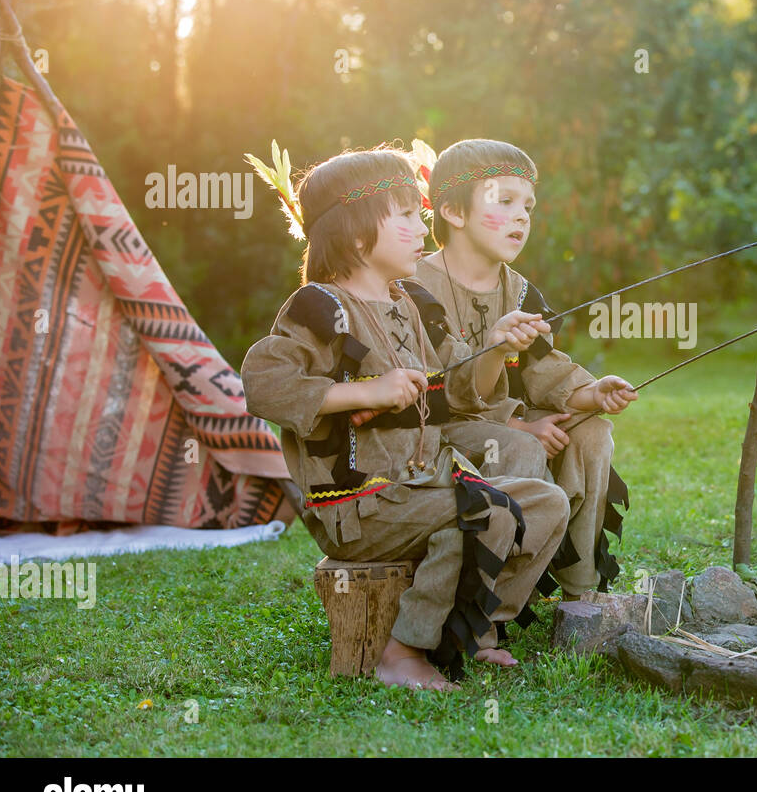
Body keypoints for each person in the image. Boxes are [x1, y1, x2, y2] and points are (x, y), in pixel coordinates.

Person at [241, 145, 569, 691]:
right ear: (357, 235)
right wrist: (364, 391)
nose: (423, 229)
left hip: (423, 484)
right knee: (478, 512)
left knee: (544, 502)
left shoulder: (407, 305)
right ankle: (401, 652)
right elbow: (264, 384)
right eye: (407, 218)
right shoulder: (321, 308)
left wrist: (493, 347)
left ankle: (473, 631)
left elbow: (455, 392)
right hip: (361, 505)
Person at [412, 138, 637, 600]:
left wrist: (594, 395)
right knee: (515, 444)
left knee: (594, 432)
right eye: (506, 201)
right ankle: (491, 594)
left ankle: (581, 590)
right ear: (454, 212)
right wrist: (515, 422)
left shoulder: (519, 291)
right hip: (436, 433)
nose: (522, 216)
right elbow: (437, 395)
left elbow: (542, 370)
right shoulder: (413, 288)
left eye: (528, 206)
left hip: (509, 420)